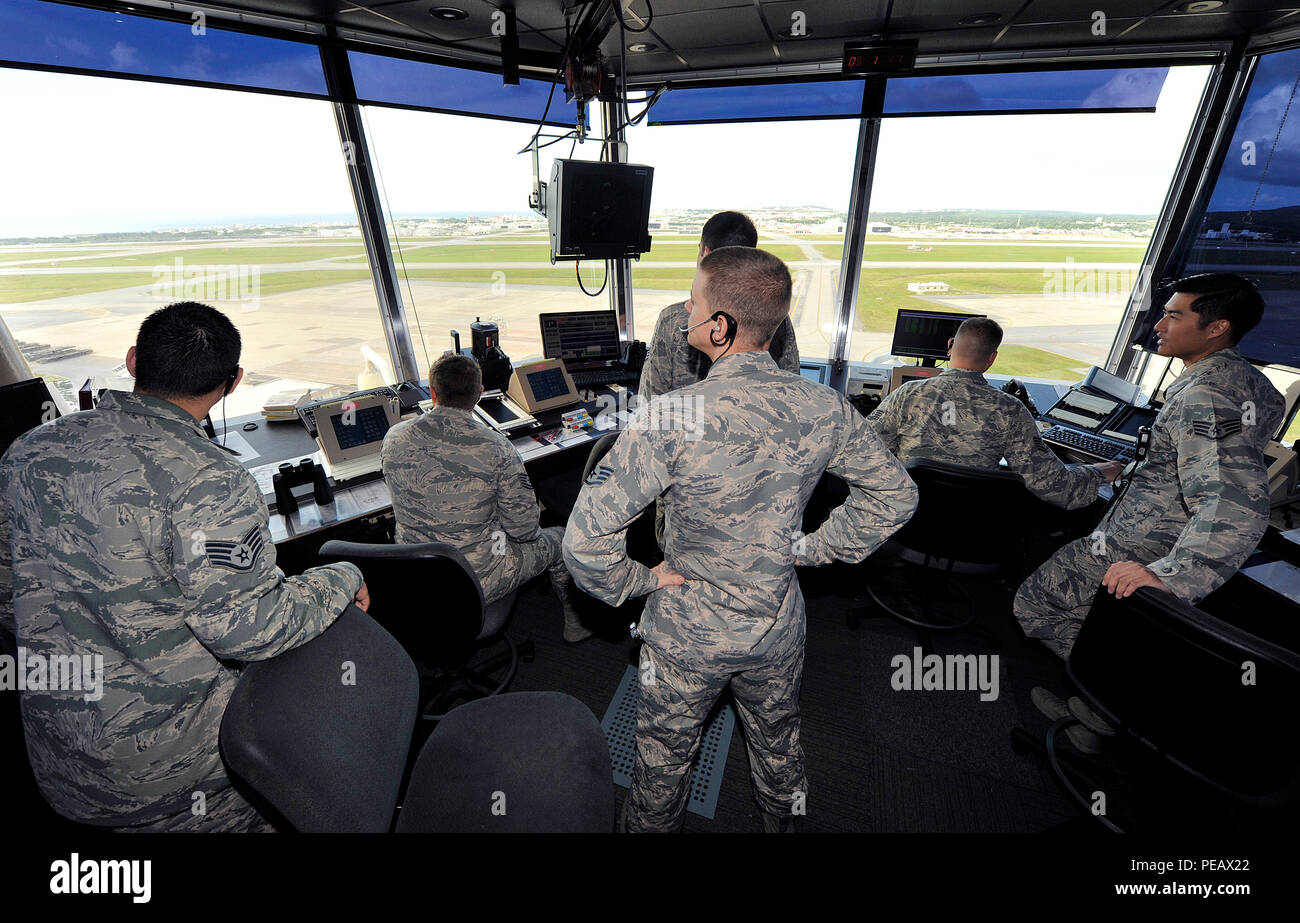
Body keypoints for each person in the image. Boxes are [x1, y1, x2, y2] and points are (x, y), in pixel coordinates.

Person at [564, 247, 919, 832]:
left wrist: (639, 580)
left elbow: (583, 542)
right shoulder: (823, 407)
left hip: (686, 633)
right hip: (776, 621)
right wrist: (810, 550)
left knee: (661, 765)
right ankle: (782, 822)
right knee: (778, 742)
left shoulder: (669, 416)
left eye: (695, 300)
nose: (687, 308)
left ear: (720, 326)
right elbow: (896, 496)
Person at [0, 301, 368, 831]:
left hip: (62, 757)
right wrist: (340, 577)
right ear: (233, 382)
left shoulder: (26, 451)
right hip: (175, 775)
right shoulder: (210, 478)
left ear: (132, 361)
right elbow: (249, 632)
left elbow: (12, 591)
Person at [1016, 273, 1285, 745]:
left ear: (1216, 327)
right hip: (1165, 532)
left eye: (1173, 315)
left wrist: (1173, 576)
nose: (1158, 325)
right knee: (1117, 632)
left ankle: (1117, 710)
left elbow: (1236, 502)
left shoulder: (1204, 395)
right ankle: (1099, 711)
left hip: (1143, 544)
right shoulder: (1255, 384)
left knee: (1037, 603)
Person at [382, 353, 590, 643]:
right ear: (479, 395)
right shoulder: (497, 449)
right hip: (478, 579)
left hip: (416, 575)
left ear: (432, 392)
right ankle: (577, 625)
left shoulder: (394, 438)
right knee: (558, 538)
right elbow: (525, 530)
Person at [868, 316, 1122, 508]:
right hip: (974, 529)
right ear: (992, 359)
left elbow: (864, 450)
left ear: (950, 345)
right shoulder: (1011, 410)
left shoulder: (907, 393)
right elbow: (1054, 485)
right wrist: (1100, 471)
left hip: (905, 518)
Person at [638, 210, 800, 403]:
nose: (691, 307)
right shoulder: (773, 317)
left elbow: (649, 402)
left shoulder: (673, 320)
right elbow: (791, 385)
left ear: (705, 252)